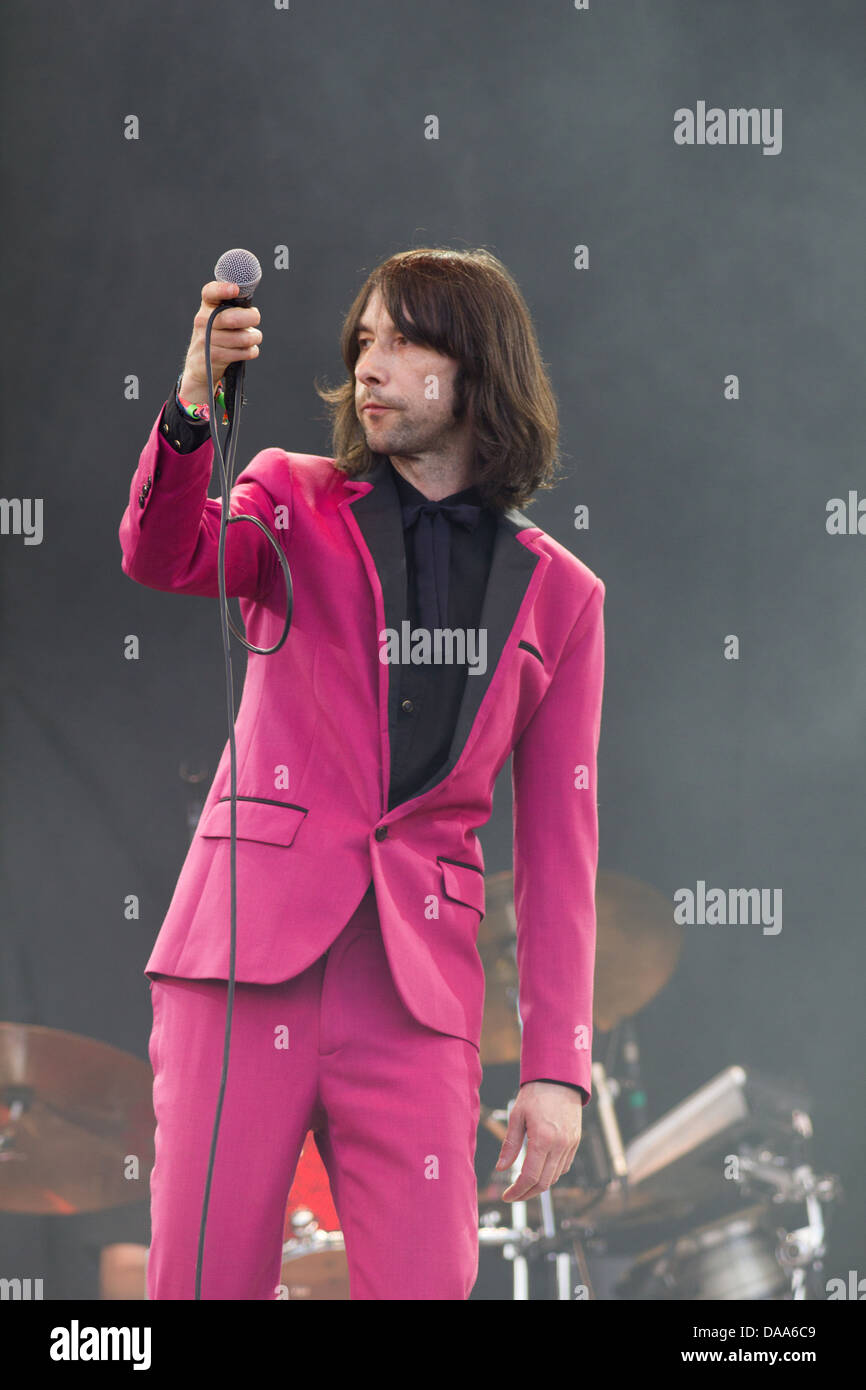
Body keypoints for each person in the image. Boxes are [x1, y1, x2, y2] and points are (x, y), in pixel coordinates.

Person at [118, 246, 605, 1300]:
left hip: (415, 991)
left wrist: (555, 1065)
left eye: (402, 338)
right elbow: (163, 554)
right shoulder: (290, 496)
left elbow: (561, 851)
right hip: (244, 960)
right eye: (363, 340)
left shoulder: (561, 594)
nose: (369, 363)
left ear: (474, 366)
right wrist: (192, 408)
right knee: (200, 1288)